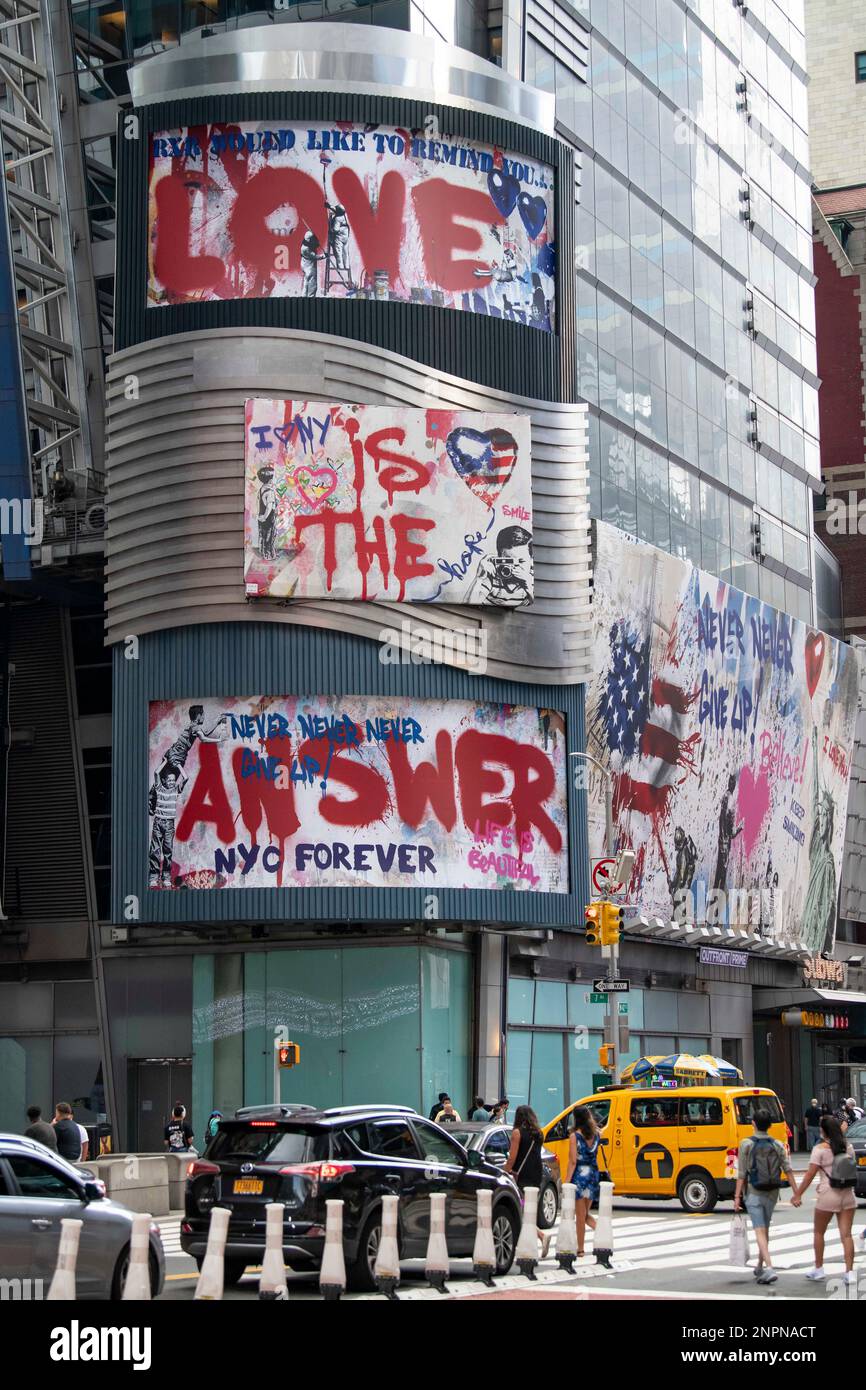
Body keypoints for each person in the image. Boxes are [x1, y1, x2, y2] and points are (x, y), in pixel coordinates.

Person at [734, 1106, 799, 1284]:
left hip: (754, 1192)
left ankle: (769, 1267)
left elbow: (741, 1174)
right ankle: (760, 1266)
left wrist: (737, 1197)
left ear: (753, 1123)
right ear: (769, 1125)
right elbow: (788, 1170)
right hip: (772, 1191)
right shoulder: (777, 1145)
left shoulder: (746, 1144)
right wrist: (796, 1193)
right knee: (765, 1228)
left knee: (759, 1230)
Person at [795, 1114, 857, 1285]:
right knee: (846, 1235)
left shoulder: (820, 1149)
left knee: (819, 1232)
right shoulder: (847, 1147)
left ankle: (819, 1268)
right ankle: (849, 1272)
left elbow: (809, 1175)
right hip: (847, 1195)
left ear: (822, 1131)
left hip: (827, 1194)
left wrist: (798, 1193)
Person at [504, 1105, 551, 1258]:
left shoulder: (517, 1133)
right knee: (527, 1209)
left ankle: (541, 1237)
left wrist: (504, 1172)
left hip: (522, 1177)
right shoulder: (538, 1134)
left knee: (522, 1211)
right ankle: (537, 1238)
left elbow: (512, 1158)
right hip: (536, 1175)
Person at [567, 1106, 602, 1258]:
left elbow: (573, 1161)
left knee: (580, 1216)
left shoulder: (575, 1136)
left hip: (580, 1176)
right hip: (593, 1175)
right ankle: (602, 1232)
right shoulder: (596, 1134)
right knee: (585, 1213)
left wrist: (567, 1181)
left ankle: (580, 1249)